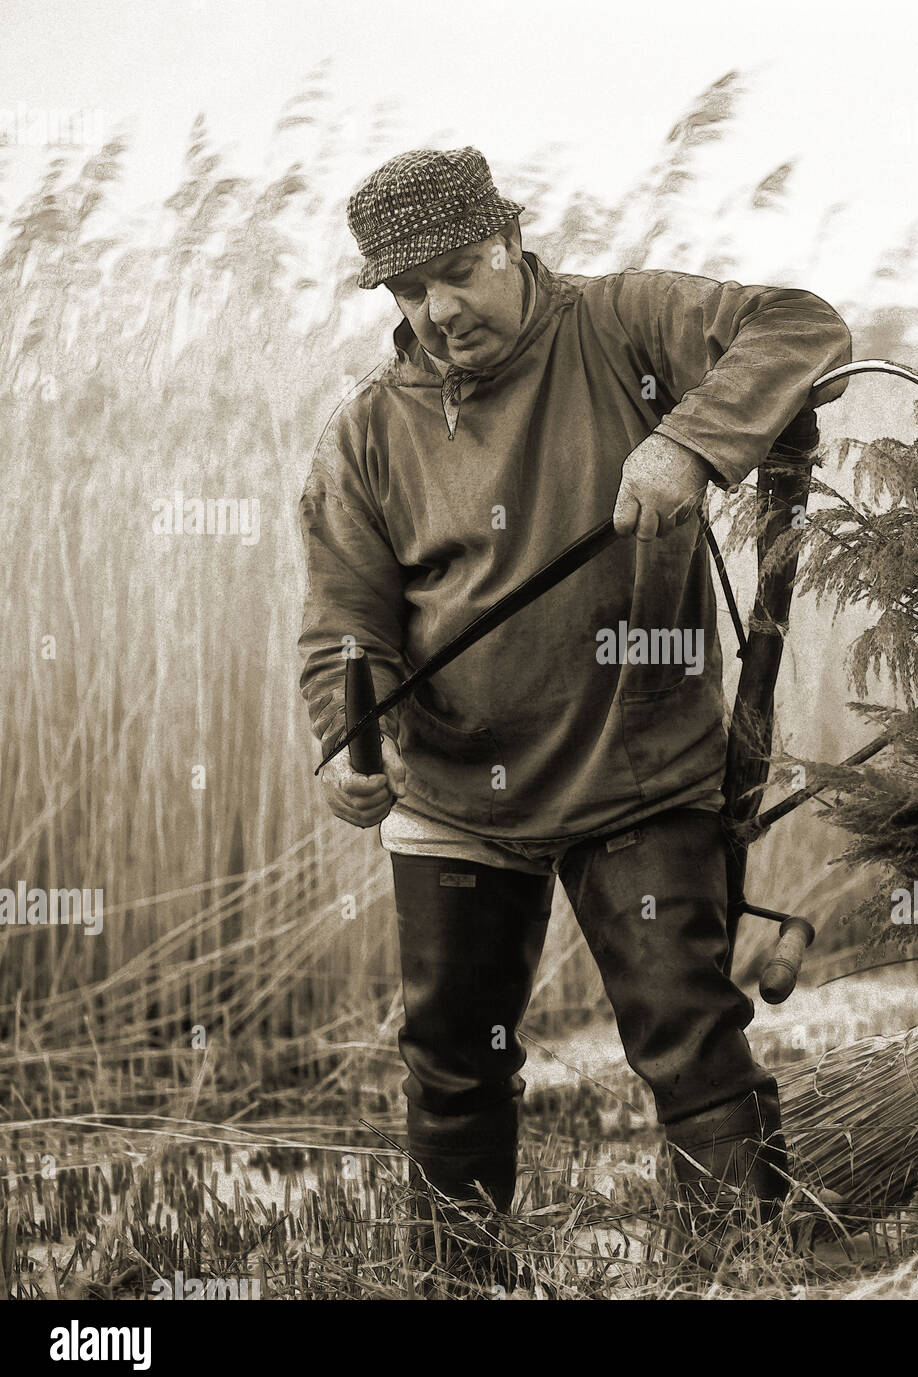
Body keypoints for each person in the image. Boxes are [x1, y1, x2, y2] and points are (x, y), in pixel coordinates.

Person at [297, 146, 852, 1281]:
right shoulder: (364, 434)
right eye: (410, 290)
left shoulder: (623, 325)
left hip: (635, 773)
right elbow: (345, 629)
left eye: (458, 272)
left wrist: (687, 441)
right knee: (451, 1057)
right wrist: (341, 745)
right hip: (454, 796)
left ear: (510, 240)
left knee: (686, 1037)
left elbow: (804, 327)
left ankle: (739, 1268)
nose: (438, 310)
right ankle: (461, 1277)